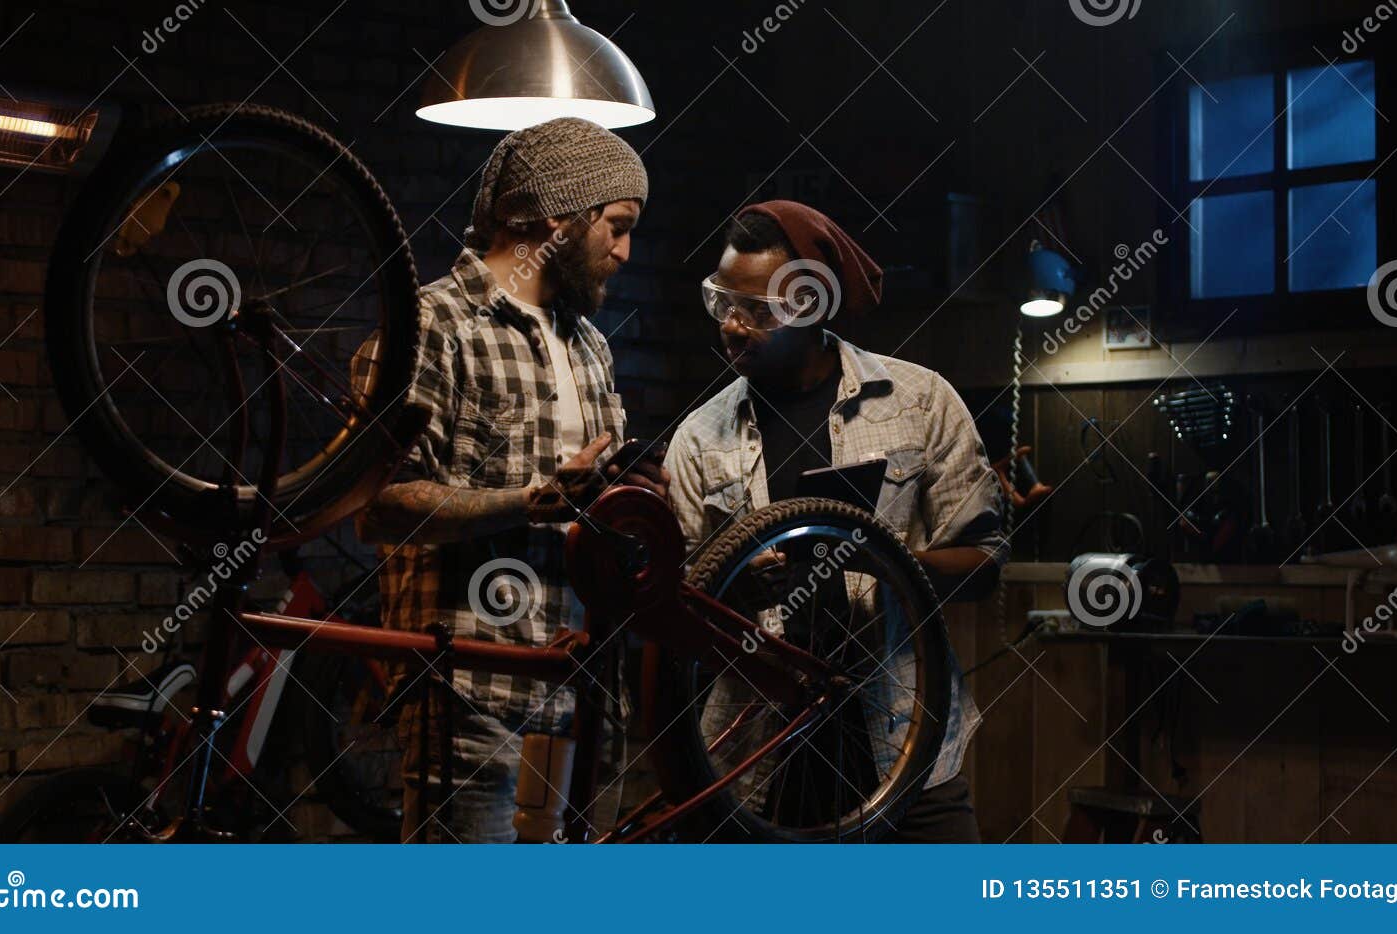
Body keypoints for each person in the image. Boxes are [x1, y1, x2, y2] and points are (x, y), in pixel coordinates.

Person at [352, 117, 665, 843]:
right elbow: (378, 506)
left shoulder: (588, 344)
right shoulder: (431, 326)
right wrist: (530, 502)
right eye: (616, 226)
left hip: (580, 691)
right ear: (558, 216)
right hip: (468, 692)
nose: (624, 251)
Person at [664, 200, 1006, 842]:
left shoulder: (919, 402)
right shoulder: (699, 438)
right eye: (721, 304)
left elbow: (983, 564)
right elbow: (677, 615)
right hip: (758, 757)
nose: (732, 327)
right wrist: (729, 593)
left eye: (757, 312)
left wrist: (879, 559)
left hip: (903, 744)